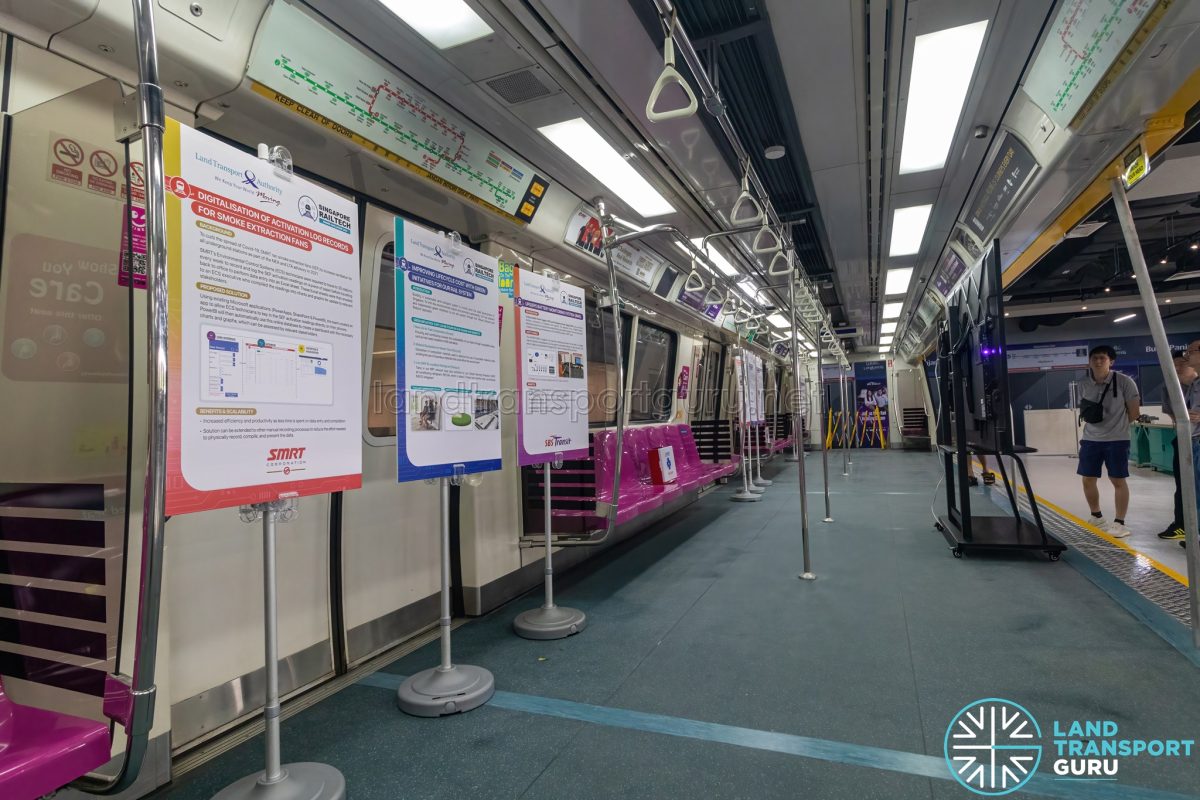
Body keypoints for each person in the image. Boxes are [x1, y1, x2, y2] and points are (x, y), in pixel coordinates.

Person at [1076, 345, 1140, 537]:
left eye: (1102, 358)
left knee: (1118, 479)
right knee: (1087, 479)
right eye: (1094, 358)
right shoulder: (1083, 383)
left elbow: (1134, 412)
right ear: (1089, 361)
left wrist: (1116, 427)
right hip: (1090, 439)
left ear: (1111, 361)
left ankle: (1119, 522)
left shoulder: (1125, 382)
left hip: (1117, 440)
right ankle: (1096, 517)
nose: (1097, 361)